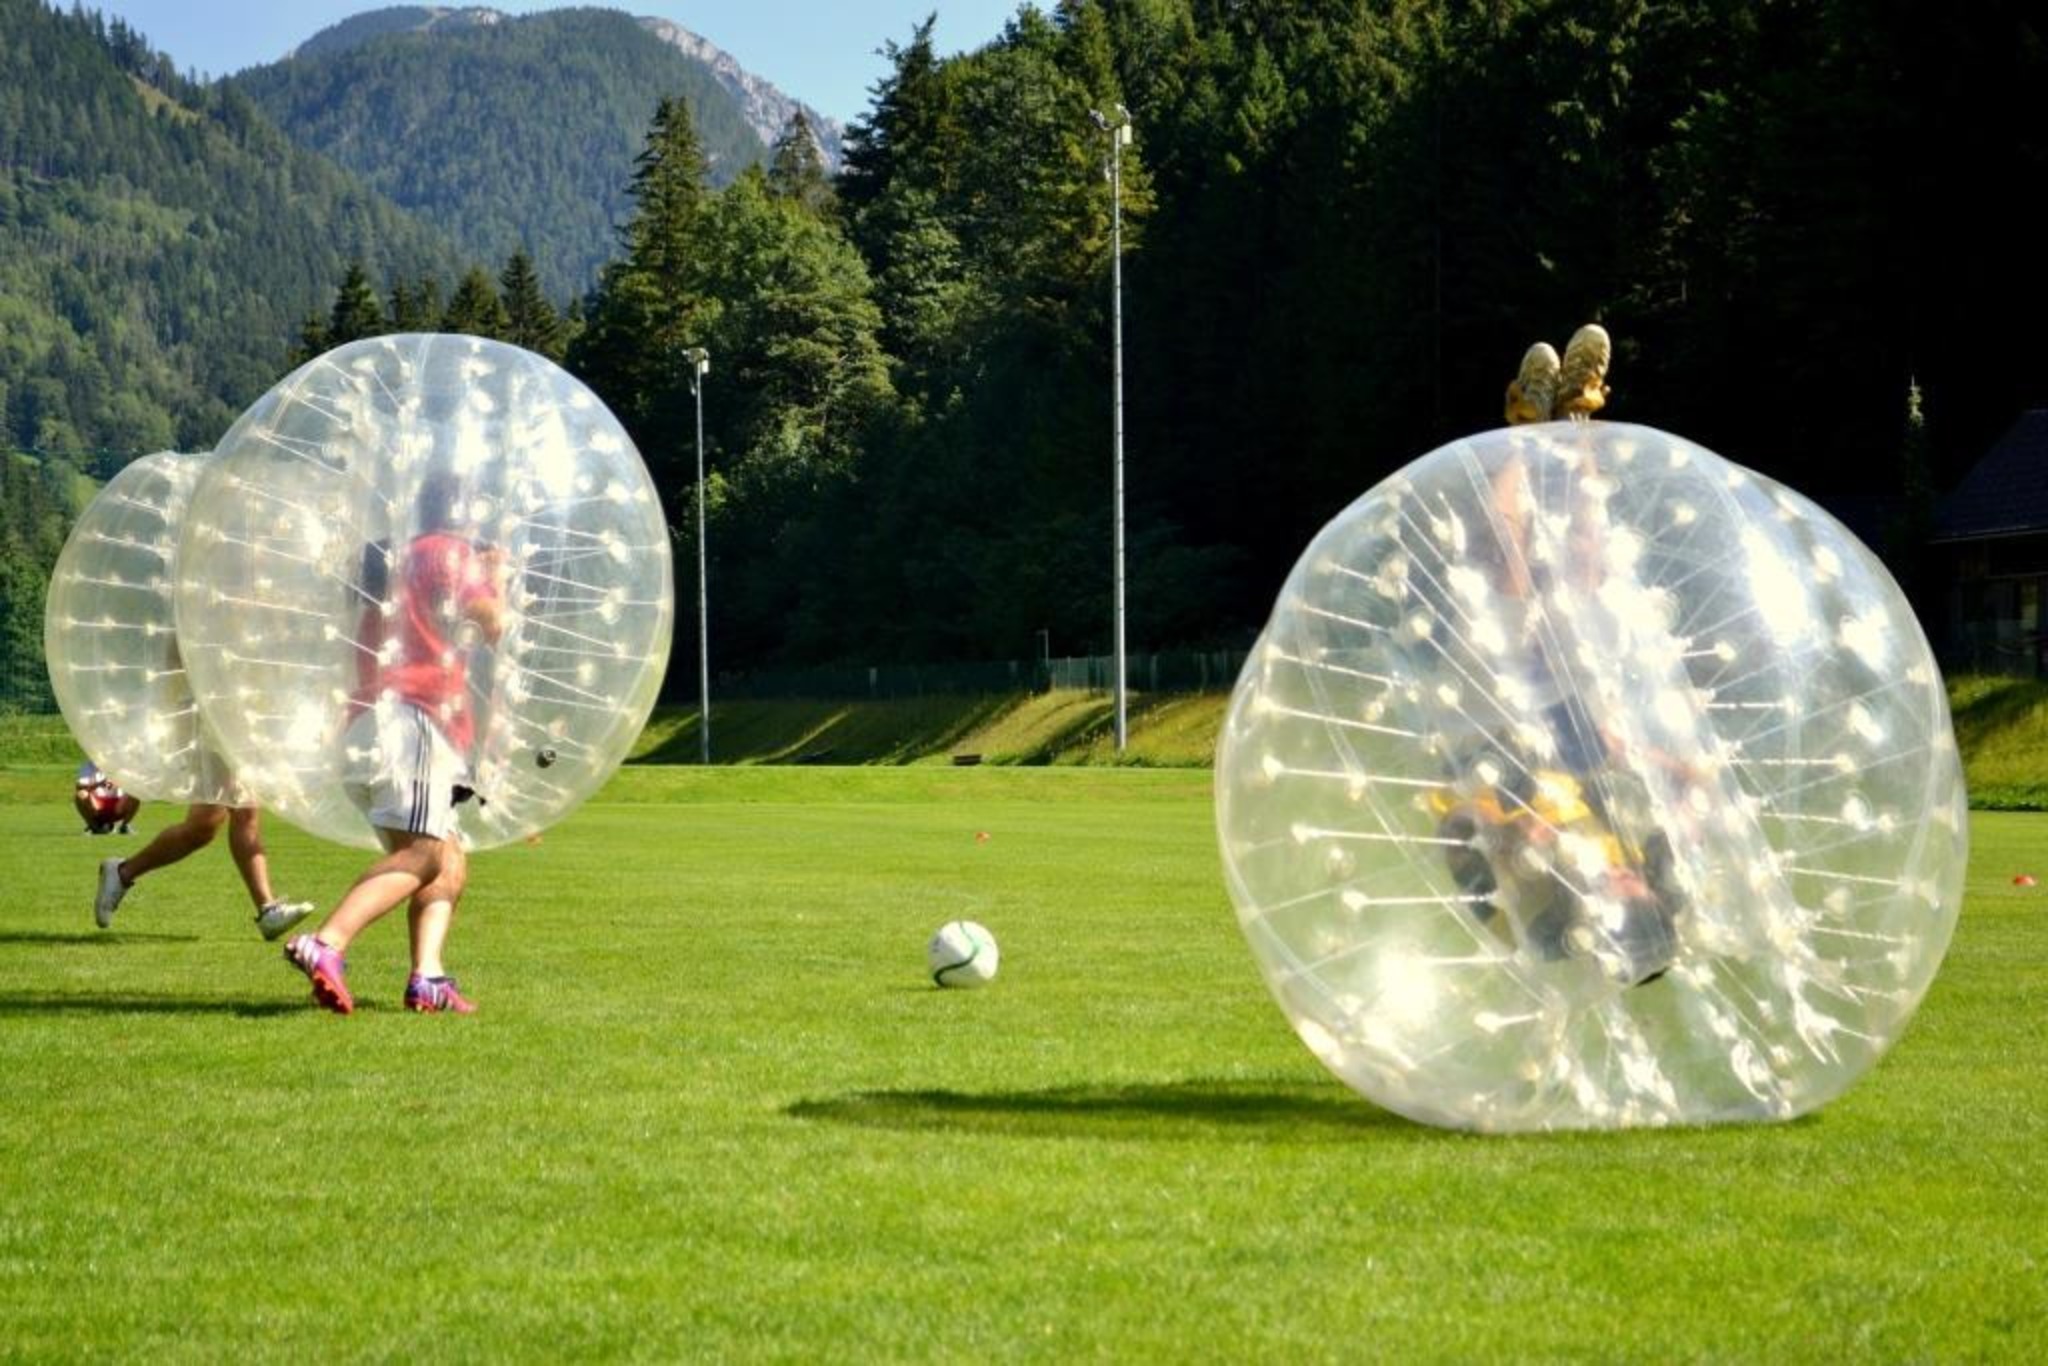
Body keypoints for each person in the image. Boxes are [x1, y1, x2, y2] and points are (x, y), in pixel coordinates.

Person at [283, 472, 508, 1016]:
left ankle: (427, 977)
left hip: (373, 723)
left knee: (446, 857)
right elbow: (492, 623)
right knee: (426, 853)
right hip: (413, 718)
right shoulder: (446, 554)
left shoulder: (401, 556)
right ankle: (327, 942)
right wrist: (496, 575)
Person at [74, 760, 139, 836]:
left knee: (136, 793)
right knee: (81, 794)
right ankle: (93, 826)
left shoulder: (120, 765)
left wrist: (121, 782)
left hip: (118, 805)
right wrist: (99, 784)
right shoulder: (88, 766)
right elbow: (79, 786)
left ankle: (124, 826)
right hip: (96, 806)